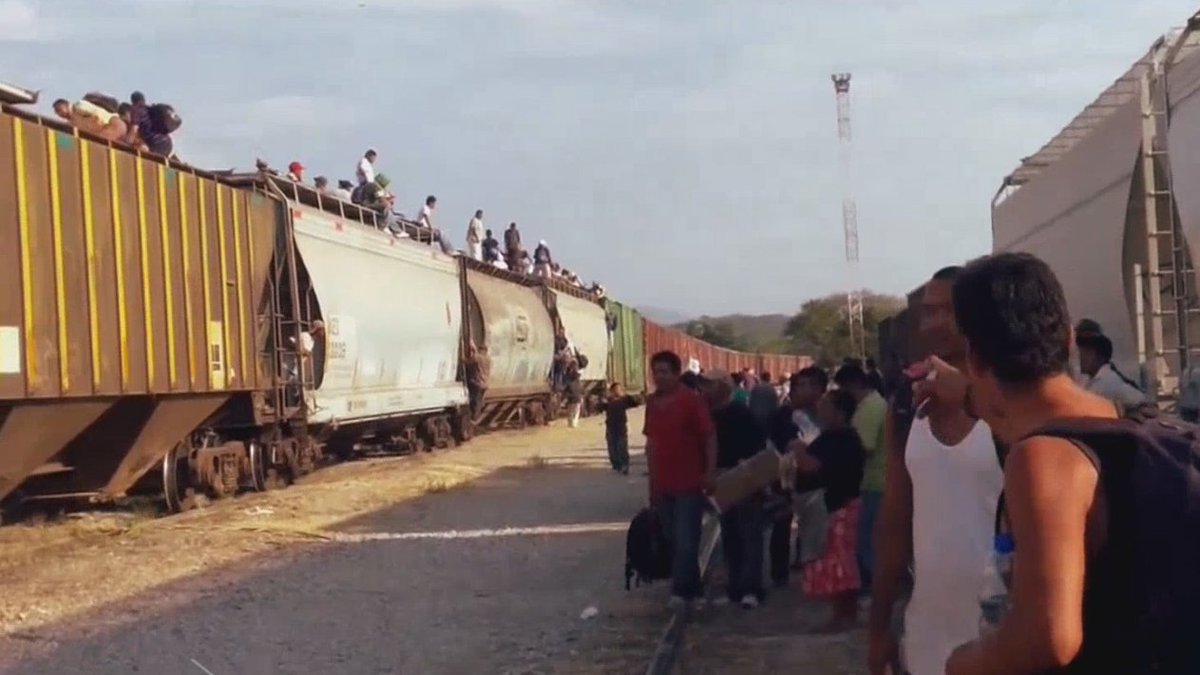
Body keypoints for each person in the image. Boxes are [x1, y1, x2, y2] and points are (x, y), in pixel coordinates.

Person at [932, 252, 1148, 674]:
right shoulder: (1126, 424)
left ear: (975, 358)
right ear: (1068, 340)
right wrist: (971, 397)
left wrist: (960, 664)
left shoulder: (1040, 458)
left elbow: (1047, 640)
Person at [868, 266, 1004, 675]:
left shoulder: (1012, 402)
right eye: (928, 312)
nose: (935, 322)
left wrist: (970, 396)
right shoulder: (908, 409)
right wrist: (878, 627)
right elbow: (894, 523)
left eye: (950, 310)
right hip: (927, 635)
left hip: (1004, 636)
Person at [643, 350, 717, 609]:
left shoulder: (691, 401)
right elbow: (651, 443)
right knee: (674, 539)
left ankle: (682, 591)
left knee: (687, 539)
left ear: (676, 373)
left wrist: (709, 472)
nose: (659, 377)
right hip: (663, 483)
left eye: (665, 371)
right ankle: (692, 589)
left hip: (689, 482)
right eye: (656, 372)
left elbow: (708, 437)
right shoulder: (652, 404)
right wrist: (652, 482)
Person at [793, 388, 866, 632]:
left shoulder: (842, 439)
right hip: (836, 505)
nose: (821, 411)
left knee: (838, 563)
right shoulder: (834, 436)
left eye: (826, 407)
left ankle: (843, 614)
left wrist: (798, 450)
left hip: (840, 507)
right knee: (838, 562)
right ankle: (845, 614)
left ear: (840, 413)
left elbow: (813, 466)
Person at [700, 369, 766, 609]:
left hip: (743, 478)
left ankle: (752, 589)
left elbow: (758, 446)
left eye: (709, 385)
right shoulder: (706, 415)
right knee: (731, 536)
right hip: (719, 481)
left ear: (722, 387)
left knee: (750, 535)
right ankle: (735, 587)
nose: (704, 390)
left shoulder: (741, 413)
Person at [766, 367, 827, 586]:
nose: (807, 390)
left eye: (812, 385)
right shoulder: (782, 416)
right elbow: (789, 446)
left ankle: (810, 571)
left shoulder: (825, 414)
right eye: (801, 386)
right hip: (785, 481)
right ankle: (779, 574)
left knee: (813, 529)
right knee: (782, 526)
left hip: (815, 481)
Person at [833, 363, 887, 593]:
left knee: (867, 540)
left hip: (875, 481)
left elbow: (862, 447)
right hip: (876, 479)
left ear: (853, 384)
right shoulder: (875, 404)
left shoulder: (869, 409)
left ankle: (877, 588)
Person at [1075, 332, 1146, 413]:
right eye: (1081, 352)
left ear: (1100, 357)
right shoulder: (1090, 381)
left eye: (1088, 353)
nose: (1082, 357)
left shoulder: (1110, 382)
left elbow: (1140, 400)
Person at [598, 382, 641, 474]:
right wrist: (601, 401)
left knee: (622, 447)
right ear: (611, 391)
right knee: (612, 447)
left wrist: (628, 396)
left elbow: (636, 402)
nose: (617, 391)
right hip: (611, 427)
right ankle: (616, 464)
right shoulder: (608, 401)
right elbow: (599, 408)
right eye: (615, 390)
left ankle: (624, 465)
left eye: (619, 389)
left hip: (621, 426)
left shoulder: (624, 400)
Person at [124, 91, 173, 157]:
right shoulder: (149, 109)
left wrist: (124, 145)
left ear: (133, 101)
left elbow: (134, 129)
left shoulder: (136, 109)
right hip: (167, 145)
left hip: (155, 144)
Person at [464, 342, 490, 421]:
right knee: (479, 401)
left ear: (481, 350)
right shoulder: (488, 359)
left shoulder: (477, 357)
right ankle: (476, 416)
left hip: (477, 383)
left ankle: (473, 417)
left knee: (473, 400)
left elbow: (466, 362)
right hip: (485, 384)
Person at [564, 360, 584, 428]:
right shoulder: (578, 382)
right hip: (576, 397)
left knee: (571, 411)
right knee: (575, 411)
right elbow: (581, 390)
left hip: (571, 398)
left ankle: (571, 423)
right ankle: (573, 423)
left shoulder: (569, 377)